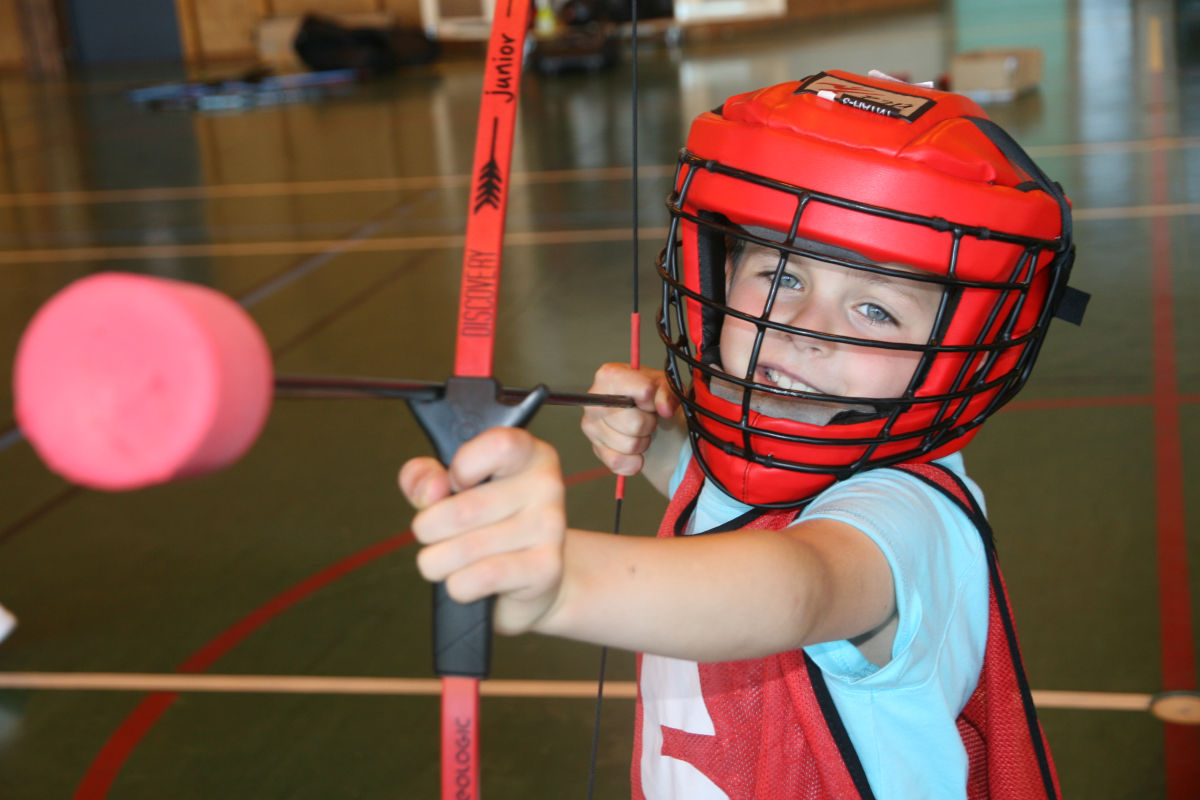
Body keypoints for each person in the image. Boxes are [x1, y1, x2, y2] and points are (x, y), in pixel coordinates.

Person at [400, 70, 1083, 799]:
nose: (803, 328)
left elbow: (798, 587)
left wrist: (565, 581)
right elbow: (728, 505)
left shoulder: (911, 520)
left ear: (958, 345)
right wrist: (658, 442)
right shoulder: (745, 461)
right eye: (781, 275)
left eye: (875, 311)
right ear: (720, 276)